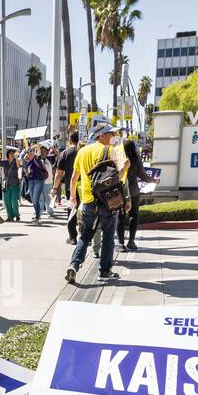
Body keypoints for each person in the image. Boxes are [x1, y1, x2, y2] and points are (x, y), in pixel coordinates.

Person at [65, 121, 124, 284]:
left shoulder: (82, 151)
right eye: (111, 134)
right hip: (107, 201)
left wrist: (73, 197)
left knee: (85, 236)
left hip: (88, 201)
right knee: (108, 237)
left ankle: (74, 265)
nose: (114, 137)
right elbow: (120, 177)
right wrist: (125, 166)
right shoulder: (114, 151)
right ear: (102, 135)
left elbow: (73, 178)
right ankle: (104, 271)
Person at [118, 138, 152, 251]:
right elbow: (143, 176)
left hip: (120, 192)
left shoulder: (118, 158)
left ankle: (120, 243)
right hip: (133, 191)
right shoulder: (136, 159)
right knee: (134, 215)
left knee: (120, 217)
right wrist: (153, 180)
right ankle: (131, 241)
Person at [54, 131, 81, 244]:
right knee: (86, 211)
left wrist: (55, 188)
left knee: (71, 211)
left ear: (70, 140)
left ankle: (72, 237)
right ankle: (85, 235)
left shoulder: (65, 153)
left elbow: (58, 174)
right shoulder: (86, 151)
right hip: (86, 187)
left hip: (71, 187)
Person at [23, 145, 49, 224]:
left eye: (31, 152)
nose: (30, 153)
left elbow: (39, 153)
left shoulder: (37, 159)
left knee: (35, 200)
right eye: (28, 152)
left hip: (39, 181)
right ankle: (37, 214)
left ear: (34, 153)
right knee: (33, 200)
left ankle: (37, 218)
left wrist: (37, 147)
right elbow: (24, 169)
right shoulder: (27, 162)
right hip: (31, 181)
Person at [0, 146, 22, 221]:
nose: (12, 154)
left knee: (14, 201)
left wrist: (16, 158)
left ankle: (17, 215)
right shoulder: (5, 162)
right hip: (6, 184)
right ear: (8, 155)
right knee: (7, 201)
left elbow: (19, 166)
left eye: (13, 153)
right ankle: (10, 216)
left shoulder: (15, 162)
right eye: (10, 153)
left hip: (15, 184)